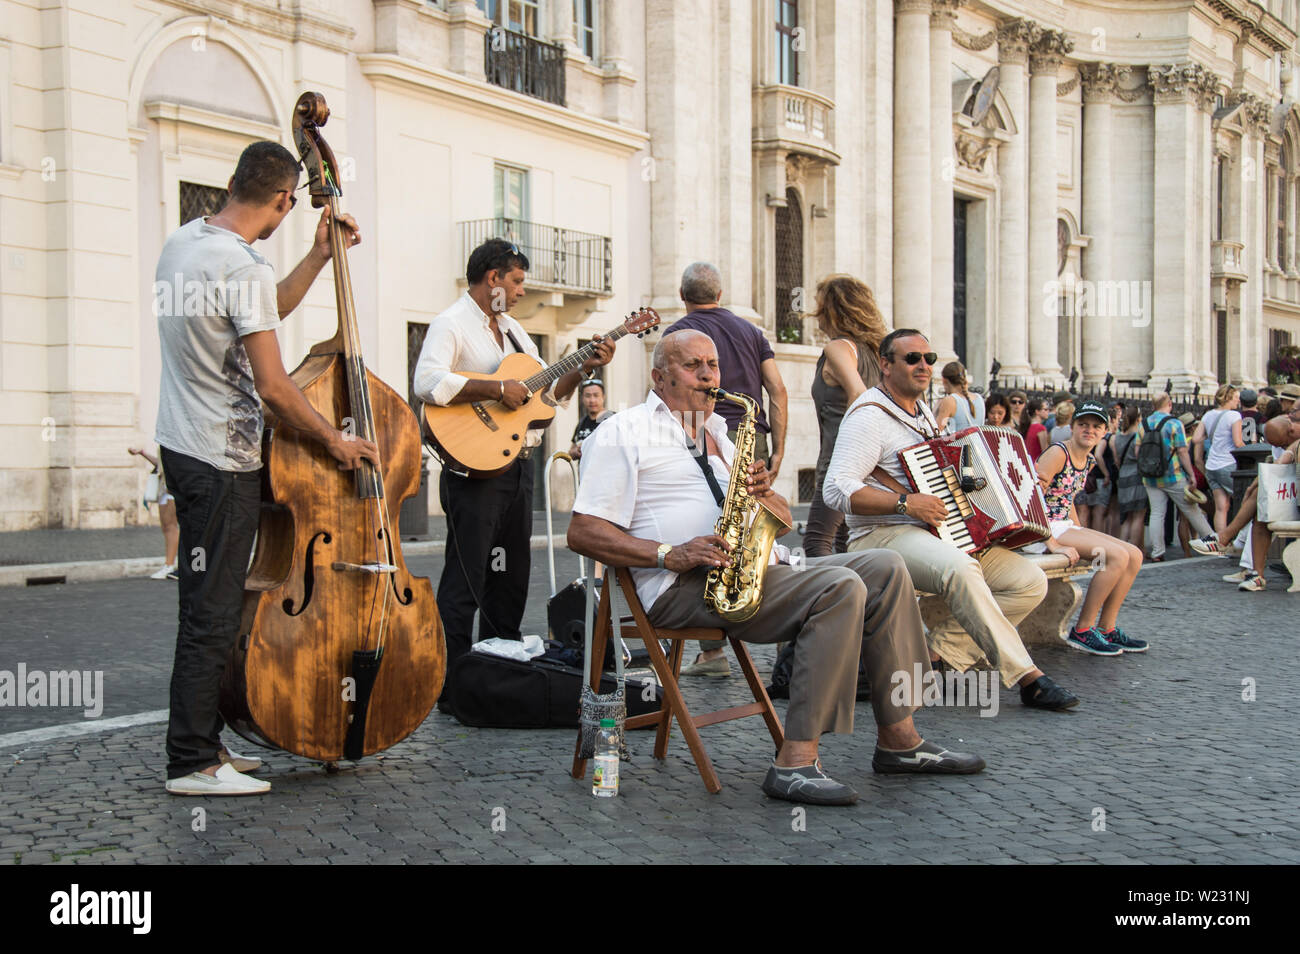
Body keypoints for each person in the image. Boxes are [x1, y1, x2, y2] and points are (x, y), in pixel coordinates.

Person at [568, 329, 984, 806]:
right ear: (658, 377)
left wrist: (768, 496)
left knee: (888, 568)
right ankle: (796, 761)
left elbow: (781, 520)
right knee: (840, 586)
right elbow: (582, 532)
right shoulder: (623, 431)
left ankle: (901, 741)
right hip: (684, 585)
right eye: (693, 366)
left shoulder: (721, 433)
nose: (708, 375)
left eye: (714, 365)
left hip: (756, 568)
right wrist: (668, 552)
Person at [155, 141, 376, 796]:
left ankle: (206, 742)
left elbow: (261, 312)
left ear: (232, 184)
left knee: (207, 604)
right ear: (286, 200)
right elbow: (276, 388)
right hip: (222, 457)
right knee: (213, 611)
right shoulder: (243, 266)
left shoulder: (185, 243)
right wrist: (334, 441)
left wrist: (317, 256)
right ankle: (192, 762)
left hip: (181, 445)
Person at [823, 329, 1079, 711]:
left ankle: (934, 654)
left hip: (942, 533)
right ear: (886, 365)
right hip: (882, 536)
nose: (923, 366)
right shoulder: (868, 416)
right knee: (961, 568)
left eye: (929, 358)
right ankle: (1027, 676)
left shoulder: (924, 413)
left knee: (1029, 581)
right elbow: (836, 490)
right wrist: (905, 504)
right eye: (911, 359)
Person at [413, 239, 614, 688]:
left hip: (516, 465)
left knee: (510, 576)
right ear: (493, 280)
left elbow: (547, 397)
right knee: (467, 577)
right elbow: (427, 382)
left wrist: (582, 369)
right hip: (473, 471)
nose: (523, 291)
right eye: (517, 281)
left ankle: (494, 672)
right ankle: (452, 680)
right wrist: (494, 389)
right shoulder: (452, 323)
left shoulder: (515, 332)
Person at [662, 262, 789, 677]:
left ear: (684, 295)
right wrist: (779, 450)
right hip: (748, 436)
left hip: (714, 432)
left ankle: (716, 649)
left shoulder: (678, 331)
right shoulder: (752, 331)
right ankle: (732, 614)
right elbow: (778, 388)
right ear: (721, 293)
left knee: (716, 523)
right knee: (728, 526)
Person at [1034, 402, 1147, 655]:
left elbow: (1068, 497)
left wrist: (1080, 529)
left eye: (1096, 426)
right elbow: (1030, 497)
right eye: (1083, 424)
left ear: (1105, 430)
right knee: (1116, 556)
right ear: (1073, 427)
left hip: (1062, 523)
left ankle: (1107, 628)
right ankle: (1083, 630)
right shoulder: (1058, 453)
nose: (1089, 430)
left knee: (1135, 555)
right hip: (1041, 528)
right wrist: (1051, 541)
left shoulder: (1089, 460)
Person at [803, 275, 885, 558]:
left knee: (816, 543)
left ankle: (831, 602)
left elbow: (859, 396)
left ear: (832, 311)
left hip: (840, 462)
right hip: (869, 466)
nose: (816, 317)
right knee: (847, 546)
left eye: (819, 307)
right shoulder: (875, 353)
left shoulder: (839, 348)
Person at [1192, 413, 1300, 590]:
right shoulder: (1290, 440)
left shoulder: (1293, 444)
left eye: (1284, 442)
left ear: (1291, 428)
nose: (1283, 446)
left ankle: (1224, 538)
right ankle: (1256, 575)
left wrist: (1287, 453)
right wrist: (1253, 486)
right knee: (1261, 511)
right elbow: (1275, 469)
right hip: (1293, 497)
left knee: (1260, 497)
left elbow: (1284, 458)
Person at [1139, 392, 1217, 561]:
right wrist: (1191, 474)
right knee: (1192, 509)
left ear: (1153, 405)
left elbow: (1138, 451)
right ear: (1169, 404)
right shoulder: (1174, 423)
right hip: (1172, 475)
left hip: (1150, 476)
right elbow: (1182, 451)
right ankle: (1212, 543)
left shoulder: (1143, 424)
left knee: (1157, 513)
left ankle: (1157, 552)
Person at [1192, 385, 1245, 537]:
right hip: (1227, 463)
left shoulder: (1208, 415)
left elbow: (1196, 438)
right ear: (1228, 398)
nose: (1238, 401)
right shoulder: (1234, 416)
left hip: (1211, 466)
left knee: (1221, 507)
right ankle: (1240, 539)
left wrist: (1211, 437)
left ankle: (1221, 542)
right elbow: (1238, 442)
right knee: (1244, 503)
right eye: (1236, 398)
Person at [128, 445, 179, 580]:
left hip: (171, 488)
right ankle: (169, 564)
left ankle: (170, 565)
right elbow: (160, 464)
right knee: (166, 527)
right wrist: (143, 453)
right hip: (164, 487)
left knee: (171, 527)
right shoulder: (166, 442)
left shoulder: (176, 442)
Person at [1109, 407, 1148, 552]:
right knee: (1138, 516)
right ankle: (1132, 549)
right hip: (1136, 475)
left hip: (1123, 475)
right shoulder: (1139, 435)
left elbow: (1116, 459)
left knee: (1126, 517)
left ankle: (1122, 549)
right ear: (1138, 419)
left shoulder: (1117, 437)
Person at [934, 361, 985, 435]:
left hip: (960, 445)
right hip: (979, 445)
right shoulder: (979, 398)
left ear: (944, 380)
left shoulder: (950, 401)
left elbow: (936, 431)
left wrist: (935, 409)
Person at [569, 378, 612, 460]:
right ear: (582, 399)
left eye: (596, 395)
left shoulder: (613, 420)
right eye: (588, 396)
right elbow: (570, 453)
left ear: (603, 397)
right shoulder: (582, 423)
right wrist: (575, 452)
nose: (592, 400)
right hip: (584, 472)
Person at [1020, 397, 1051, 462]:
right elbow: (1045, 451)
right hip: (1037, 464)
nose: (1048, 411)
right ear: (1037, 411)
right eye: (1045, 409)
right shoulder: (1040, 428)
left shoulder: (1027, 426)